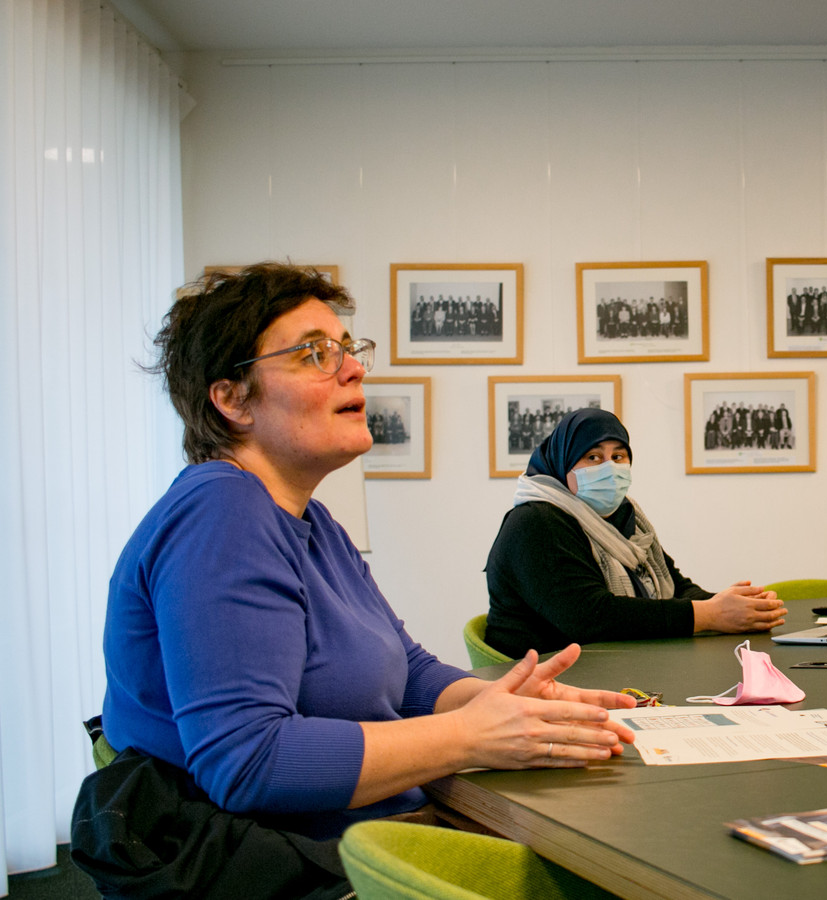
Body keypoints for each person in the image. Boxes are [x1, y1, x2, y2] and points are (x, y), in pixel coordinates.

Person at [98, 263, 636, 842]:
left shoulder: (312, 520)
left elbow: (412, 676)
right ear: (232, 398)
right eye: (313, 353)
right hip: (316, 863)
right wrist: (471, 735)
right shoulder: (220, 512)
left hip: (383, 826)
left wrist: (513, 704)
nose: (353, 368)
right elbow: (249, 762)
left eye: (350, 350)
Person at [484, 407, 787, 658]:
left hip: (616, 667)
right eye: (593, 457)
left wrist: (739, 608)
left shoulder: (627, 516)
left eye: (618, 457)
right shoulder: (536, 522)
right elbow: (591, 618)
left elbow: (676, 587)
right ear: (561, 463)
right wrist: (708, 614)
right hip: (541, 684)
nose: (609, 467)